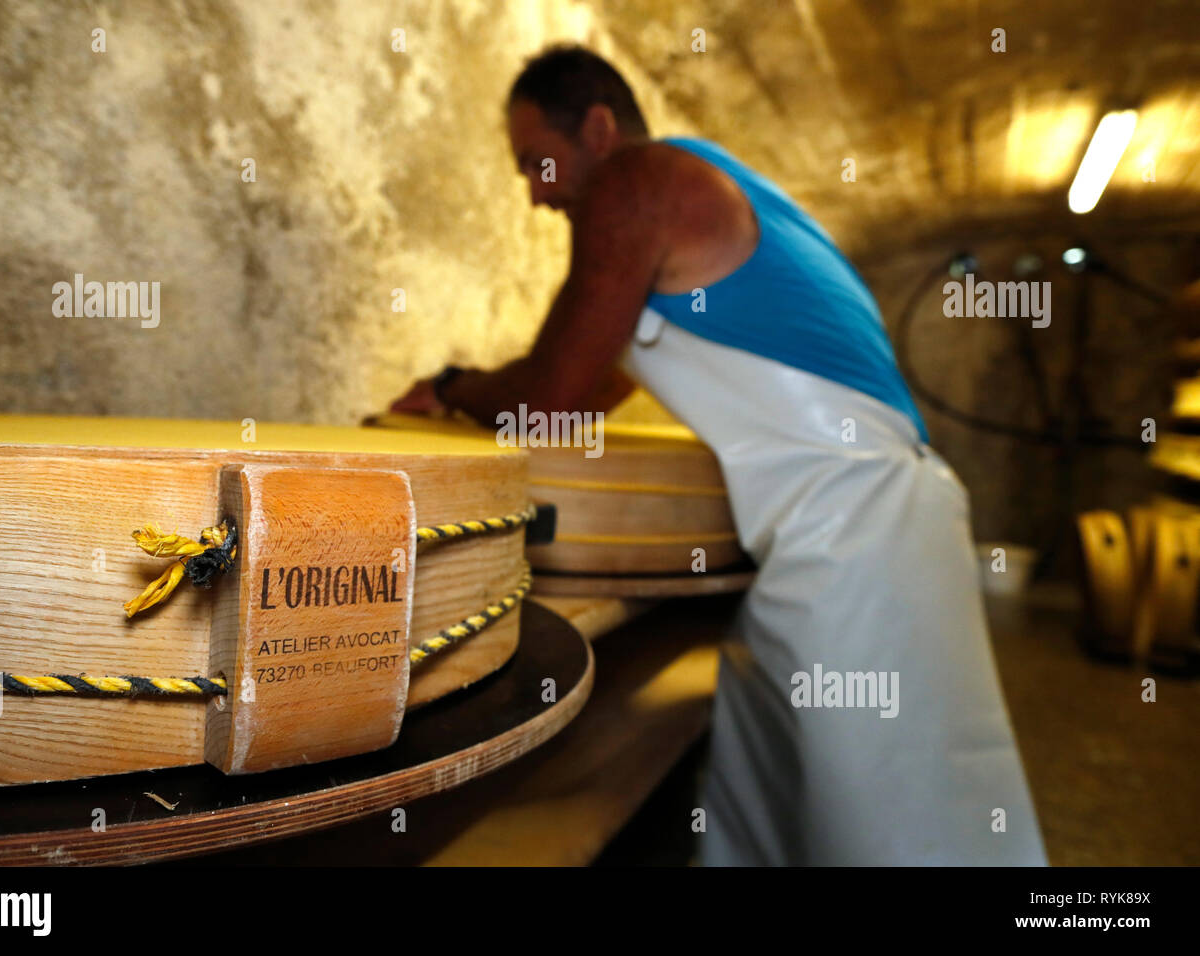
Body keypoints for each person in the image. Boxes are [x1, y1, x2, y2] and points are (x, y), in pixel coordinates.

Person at [391, 44, 1047, 866]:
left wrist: (451, 385)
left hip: (861, 546)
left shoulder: (639, 182)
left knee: (898, 830)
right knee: (759, 787)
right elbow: (588, 397)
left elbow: (547, 397)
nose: (536, 193)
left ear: (598, 127)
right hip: (840, 537)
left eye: (537, 162)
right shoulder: (702, 192)